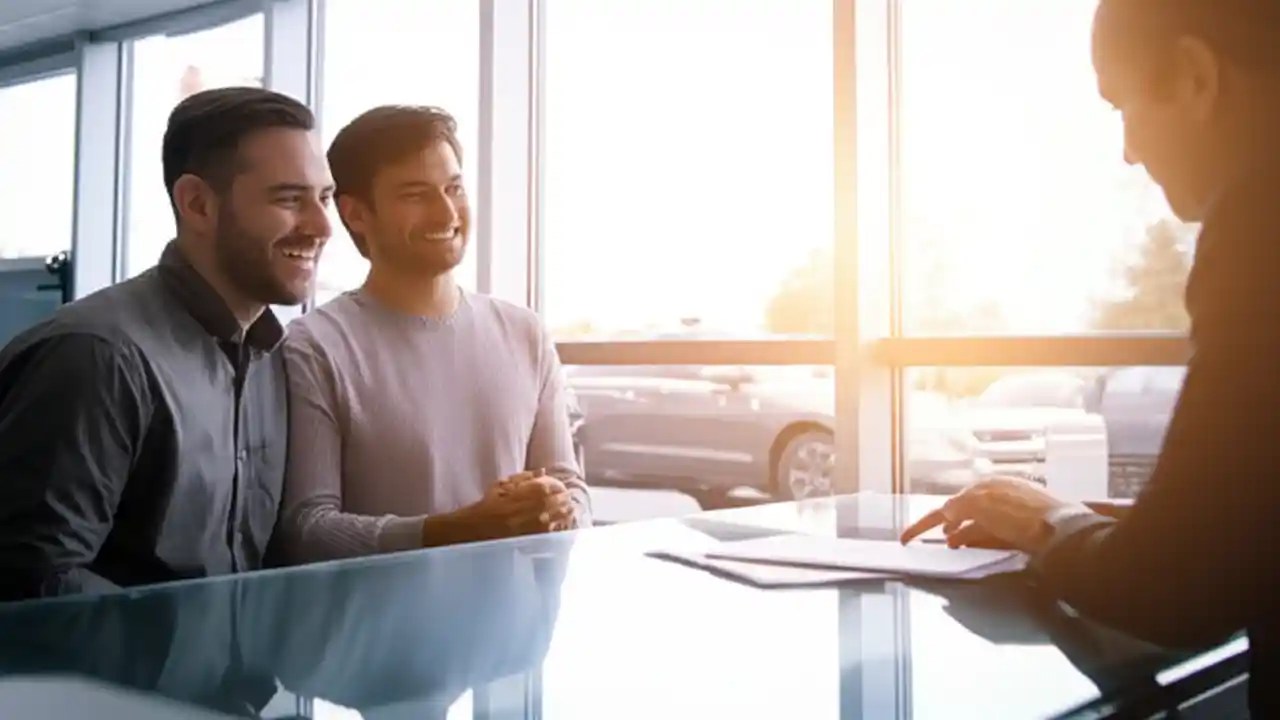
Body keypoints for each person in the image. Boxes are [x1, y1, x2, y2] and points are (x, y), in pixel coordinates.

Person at [900, 0, 1280, 713]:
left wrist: (1050, 525)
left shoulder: (1261, 219)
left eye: (1121, 105)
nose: (1129, 150)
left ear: (1194, 77)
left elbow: (1176, 585)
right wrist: (1135, 523)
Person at [0, 87, 333, 600]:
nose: (322, 226)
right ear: (197, 204)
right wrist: (188, 640)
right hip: (111, 658)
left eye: (324, 197)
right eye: (289, 199)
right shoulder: (96, 355)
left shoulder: (273, 356)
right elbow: (34, 578)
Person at [280, 105, 590, 563]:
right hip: (385, 610)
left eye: (454, 188)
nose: (446, 212)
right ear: (356, 213)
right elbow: (306, 529)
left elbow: (571, 489)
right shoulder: (315, 346)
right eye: (415, 195)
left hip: (511, 608)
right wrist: (456, 530)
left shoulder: (525, 333)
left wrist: (558, 507)